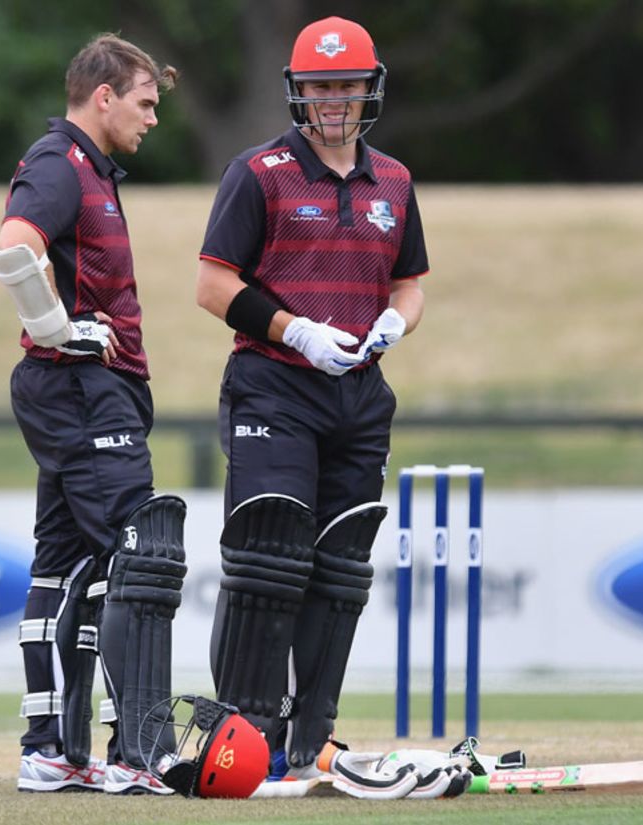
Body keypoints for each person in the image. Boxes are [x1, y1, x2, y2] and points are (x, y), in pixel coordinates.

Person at [196, 16, 432, 799]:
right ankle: (246, 735)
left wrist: (395, 321)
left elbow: (410, 284)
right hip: (274, 383)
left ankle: (311, 737)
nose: (334, 99)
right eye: (321, 86)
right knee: (270, 556)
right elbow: (213, 286)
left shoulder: (393, 181)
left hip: (358, 394)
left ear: (369, 89)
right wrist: (296, 330)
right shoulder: (259, 173)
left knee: (339, 568)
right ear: (299, 91)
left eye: (347, 85)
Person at [0, 33, 186, 795]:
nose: (153, 118)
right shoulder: (59, 163)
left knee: (66, 563)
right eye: (145, 102)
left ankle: (53, 750)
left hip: (84, 388)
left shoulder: (87, 167)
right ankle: (138, 749)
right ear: (104, 97)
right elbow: (14, 246)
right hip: (79, 385)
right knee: (140, 554)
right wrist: (57, 329)